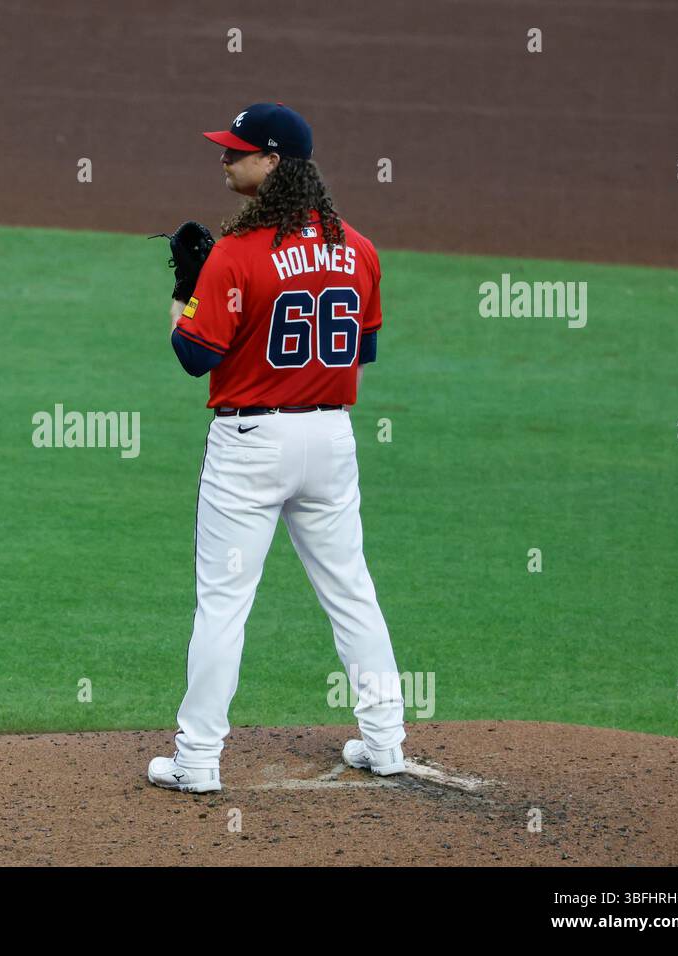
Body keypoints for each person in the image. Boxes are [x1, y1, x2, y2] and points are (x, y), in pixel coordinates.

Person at [147, 102, 408, 793]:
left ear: (275, 162)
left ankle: (198, 762)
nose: (225, 159)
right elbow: (365, 348)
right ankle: (385, 743)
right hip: (330, 439)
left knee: (224, 604)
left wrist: (186, 286)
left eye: (238, 151)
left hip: (251, 443)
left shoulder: (235, 255)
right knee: (352, 591)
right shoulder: (360, 248)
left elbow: (192, 356)